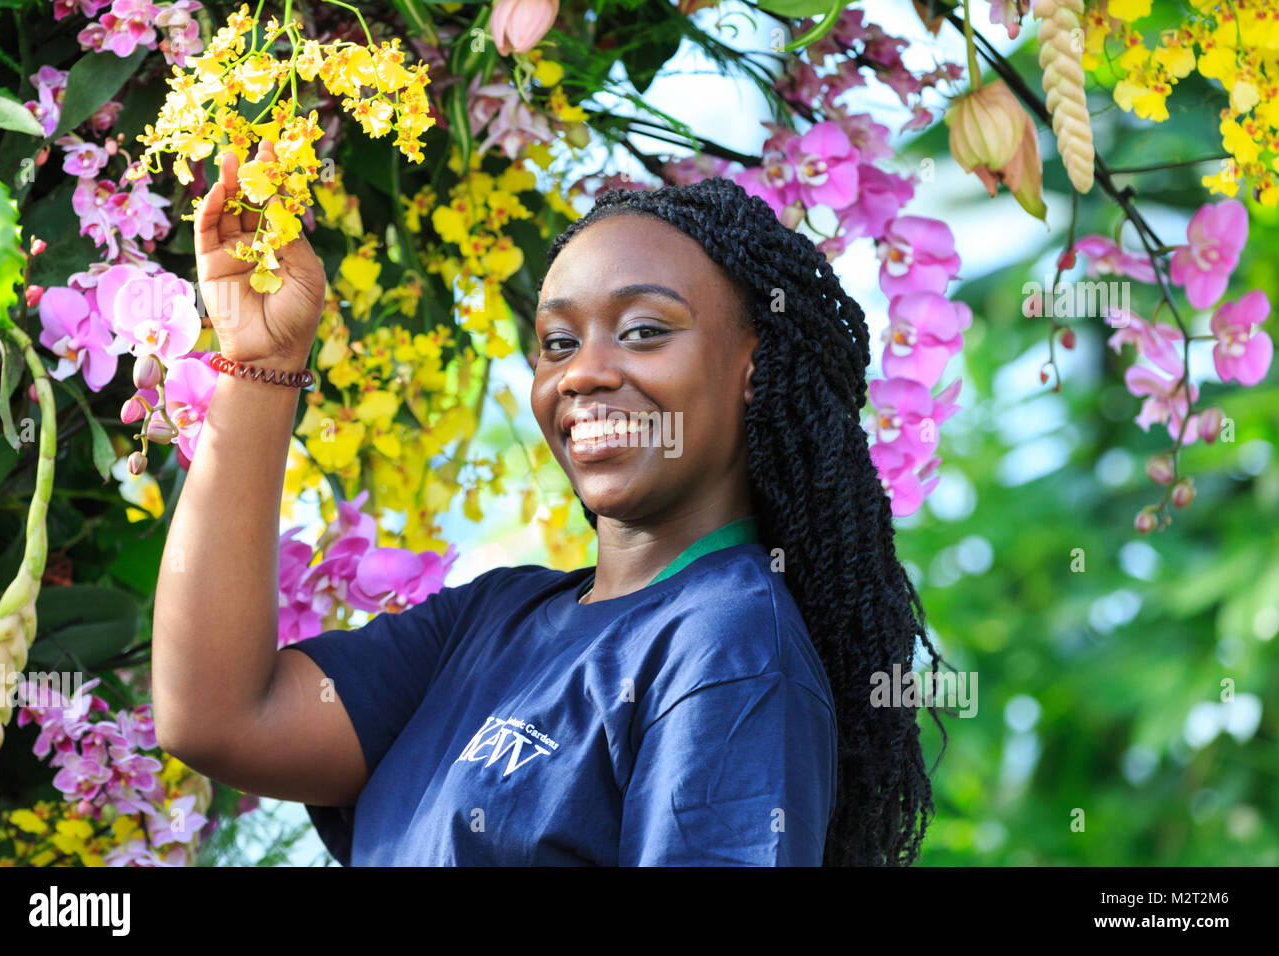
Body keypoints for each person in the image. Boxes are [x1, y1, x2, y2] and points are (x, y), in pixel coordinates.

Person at [152, 140, 948, 867]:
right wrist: (261, 360)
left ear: (755, 366)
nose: (581, 373)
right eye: (558, 343)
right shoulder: (495, 619)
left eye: (642, 331)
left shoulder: (728, 644)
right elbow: (220, 716)